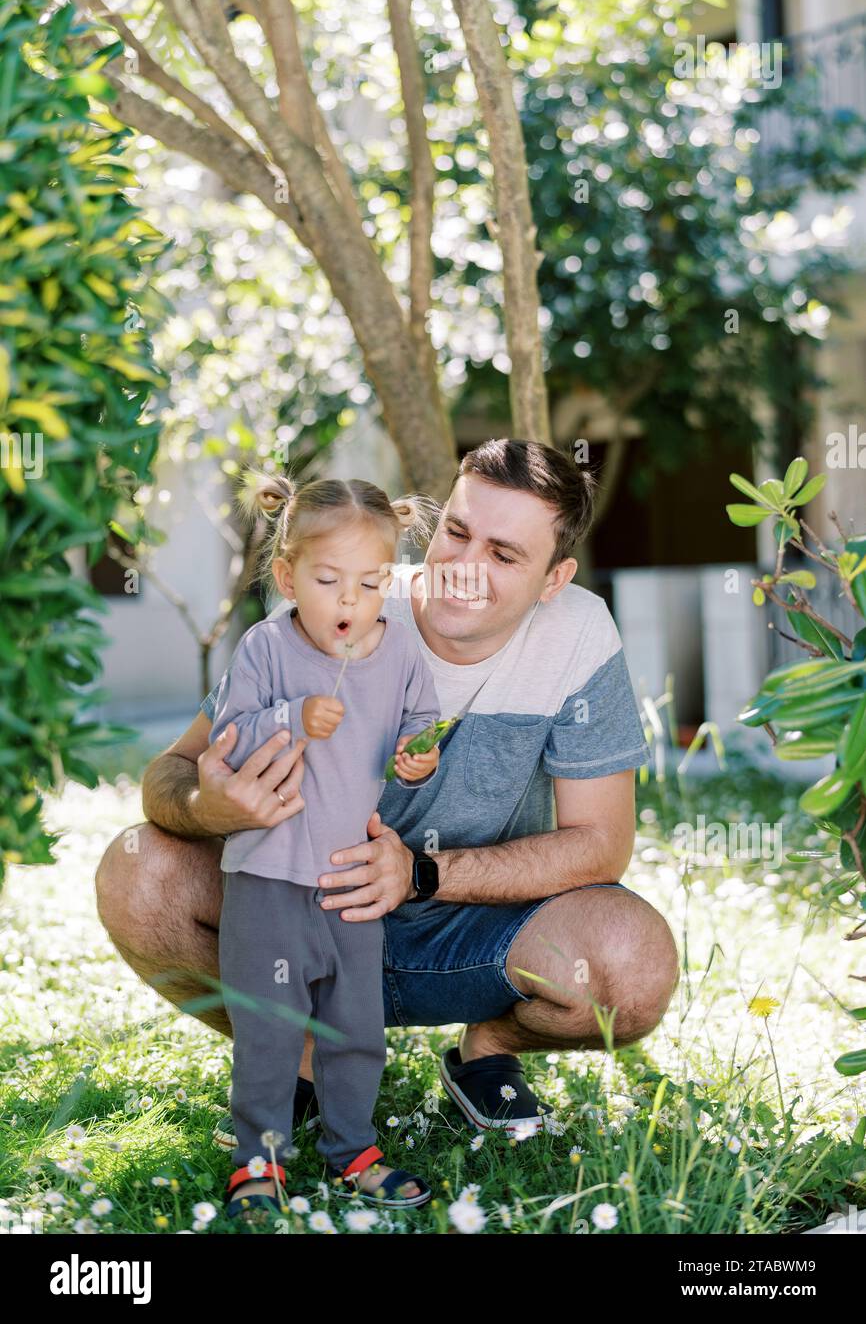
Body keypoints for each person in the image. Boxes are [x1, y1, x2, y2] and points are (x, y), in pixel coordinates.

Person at [95, 438, 680, 1171]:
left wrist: (422, 874)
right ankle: (300, 1055)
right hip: (298, 916)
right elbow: (169, 774)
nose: (465, 567)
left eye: (505, 555)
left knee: (634, 965)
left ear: (555, 578)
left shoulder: (580, 635)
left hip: (473, 936)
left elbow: (600, 845)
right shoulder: (350, 594)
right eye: (458, 532)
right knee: (136, 873)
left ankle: (486, 1055)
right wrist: (206, 808)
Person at [212, 471, 443, 1218]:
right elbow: (226, 736)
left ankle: (354, 1149)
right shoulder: (265, 647)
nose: (350, 601)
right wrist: (289, 717)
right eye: (328, 579)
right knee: (269, 1031)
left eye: (371, 583)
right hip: (269, 879)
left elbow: (420, 718)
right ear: (286, 575)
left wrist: (418, 751)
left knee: (355, 1031)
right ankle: (259, 1160)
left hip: (349, 882)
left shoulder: (401, 651)